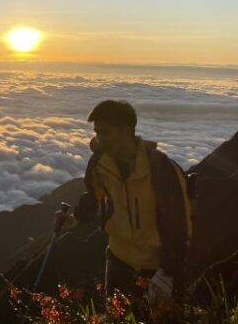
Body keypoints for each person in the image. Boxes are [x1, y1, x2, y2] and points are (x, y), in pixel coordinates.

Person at [55, 100, 190, 307]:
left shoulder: (160, 168)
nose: (99, 139)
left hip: (157, 267)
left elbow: (179, 222)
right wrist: (74, 219)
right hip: (118, 258)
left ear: (126, 132)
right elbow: (93, 197)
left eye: (105, 133)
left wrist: (168, 272)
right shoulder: (100, 162)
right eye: (97, 132)